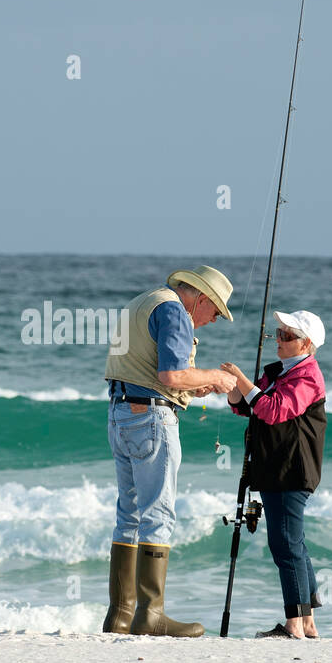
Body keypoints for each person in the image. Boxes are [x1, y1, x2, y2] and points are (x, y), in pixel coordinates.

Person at [102, 265, 238, 637]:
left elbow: (150, 370)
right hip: (152, 420)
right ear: (202, 298)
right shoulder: (175, 310)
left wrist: (194, 387)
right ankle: (151, 614)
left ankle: (120, 615)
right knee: (158, 513)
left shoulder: (141, 303)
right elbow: (171, 377)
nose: (211, 321)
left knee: (128, 513)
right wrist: (215, 377)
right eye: (214, 312)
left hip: (119, 414)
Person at [222, 310, 327, 639]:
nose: (278, 341)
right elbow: (249, 406)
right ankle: (307, 621)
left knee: (285, 544)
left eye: (287, 336)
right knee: (292, 542)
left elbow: (275, 410)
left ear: (307, 344)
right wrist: (232, 390)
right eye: (277, 333)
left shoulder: (307, 376)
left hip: (292, 470)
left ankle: (294, 622)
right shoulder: (278, 372)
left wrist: (242, 378)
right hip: (273, 467)